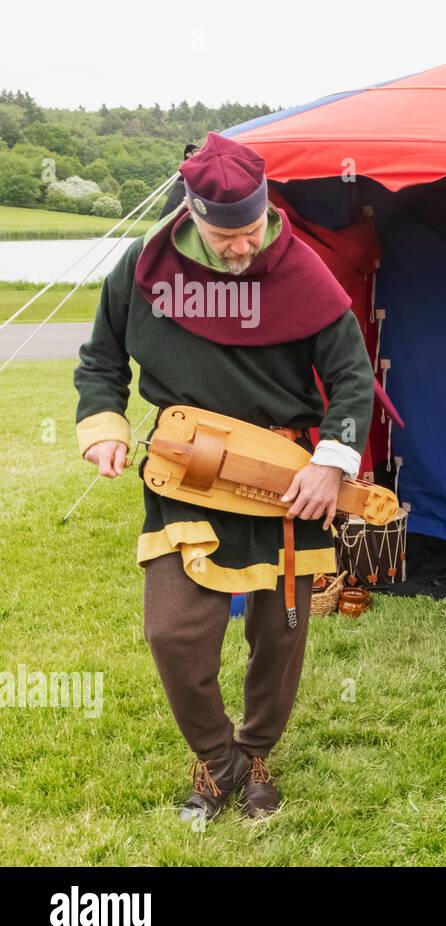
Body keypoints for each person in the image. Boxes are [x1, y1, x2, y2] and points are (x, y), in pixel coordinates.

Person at [73, 132, 375, 822]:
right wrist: (104, 426)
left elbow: (354, 378)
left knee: (278, 634)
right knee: (173, 632)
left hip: (286, 481)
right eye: (226, 234)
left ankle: (258, 750)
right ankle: (219, 760)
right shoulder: (144, 269)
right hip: (186, 475)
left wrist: (333, 462)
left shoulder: (302, 270)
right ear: (192, 213)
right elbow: (100, 362)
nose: (243, 246)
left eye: (253, 230)